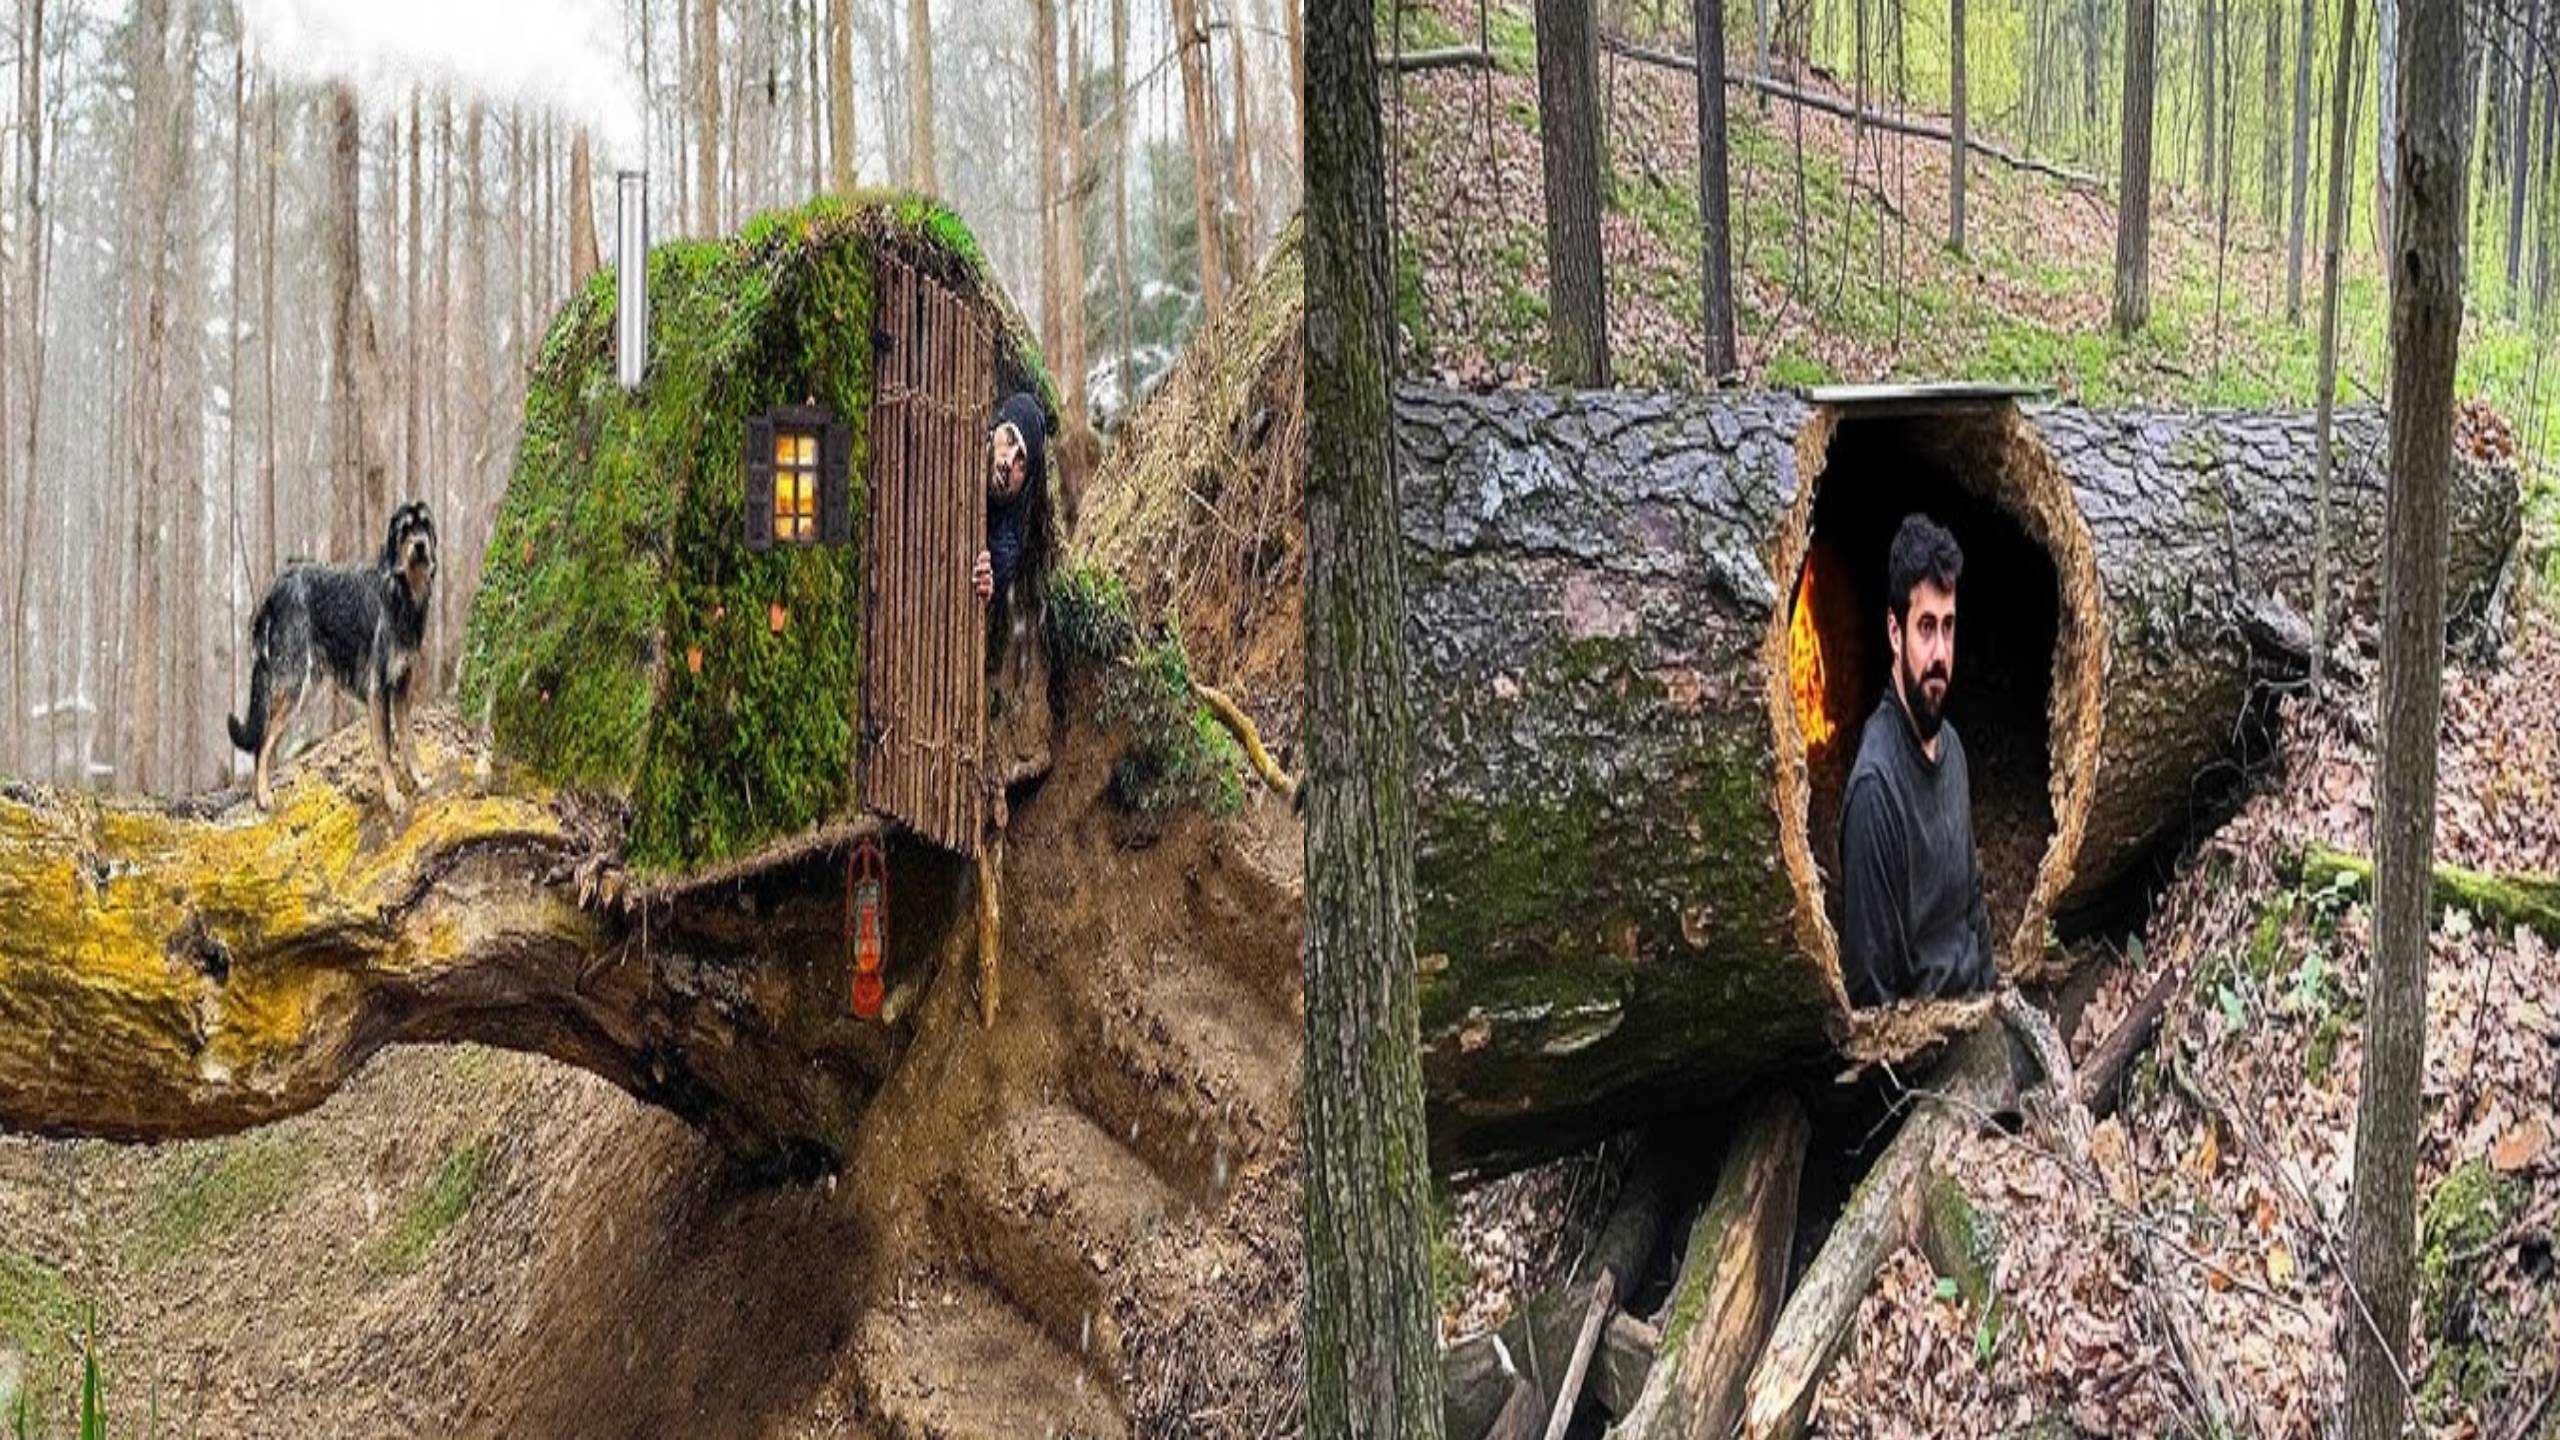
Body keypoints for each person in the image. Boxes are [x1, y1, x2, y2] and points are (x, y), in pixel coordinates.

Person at [1838, 513, 1996, 1007]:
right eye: (1925, 627)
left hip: (1977, 1023)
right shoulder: (1875, 790)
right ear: (1894, 630)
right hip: (1926, 1062)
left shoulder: (1953, 752)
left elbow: (1972, 910)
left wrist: (1991, 1002)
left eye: (1948, 628)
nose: (1940, 654)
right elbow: (1871, 996)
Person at [974, 391, 1051, 603]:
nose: (1009, 461)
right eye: (1010, 439)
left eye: (1021, 463)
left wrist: (986, 590)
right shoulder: (956, 444)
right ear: (995, 429)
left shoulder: (1005, 548)